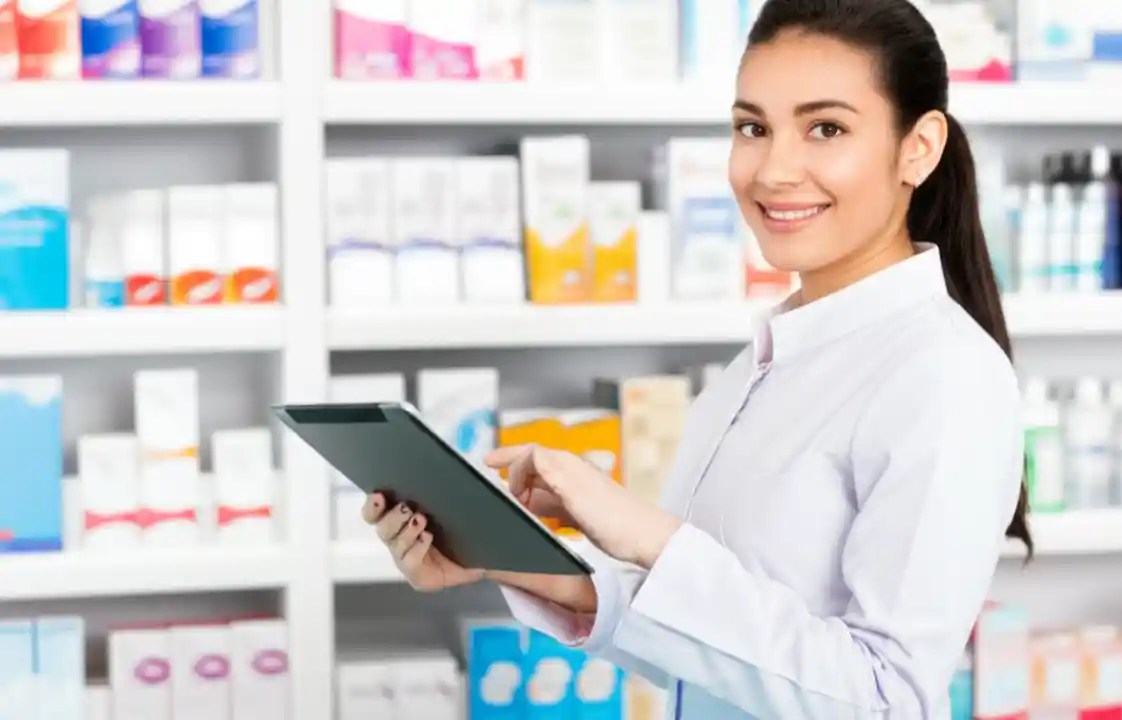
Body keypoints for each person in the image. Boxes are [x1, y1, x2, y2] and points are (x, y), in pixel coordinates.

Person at [361, 0, 1030, 716]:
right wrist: (520, 557)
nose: (774, 169)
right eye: (753, 128)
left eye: (826, 129)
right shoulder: (759, 367)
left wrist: (650, 535)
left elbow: (885, 699)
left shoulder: (946, 376)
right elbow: (712, 650)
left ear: (918, 148)